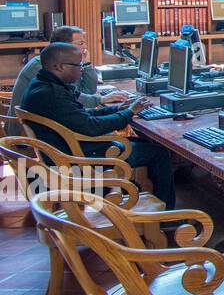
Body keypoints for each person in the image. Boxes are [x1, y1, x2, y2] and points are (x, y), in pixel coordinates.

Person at [20, 42, 175, 208]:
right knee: (159, 152)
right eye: (78, 65)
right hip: (81, 159)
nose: (82, 69)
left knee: (145, 143)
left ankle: (146, 201)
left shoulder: (42, 85)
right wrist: (129, 113)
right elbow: (92, 127)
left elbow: (81, 117)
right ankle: (166, 216)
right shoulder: (52, 95)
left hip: (68, 151)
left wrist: (118, 109)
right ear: (58, 66)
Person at [8, 26, 130, 134]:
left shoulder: (64, 66)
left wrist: (86, 64)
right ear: (63, 46)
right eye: (81, 43)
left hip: (50, 130)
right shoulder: (44, 66)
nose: (85, 47)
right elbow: (86, 120)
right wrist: (102, 100)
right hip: (27, 133)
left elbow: (87, 91)